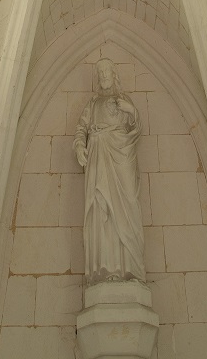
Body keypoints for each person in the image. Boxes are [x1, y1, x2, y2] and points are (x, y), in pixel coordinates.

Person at [73, 57, 146, 284]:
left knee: (127, 206)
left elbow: (136, 128)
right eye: (100, 73)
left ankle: (131, 269)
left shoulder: (124, 101)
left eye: (107, 72)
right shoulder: (93, 103)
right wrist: (79, 145)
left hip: (121, 157)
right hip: (99, 156)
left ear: (114, 75)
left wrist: (131, 110)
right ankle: (106, 269)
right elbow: (81, 127)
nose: (104, 76)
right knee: (102, 209)